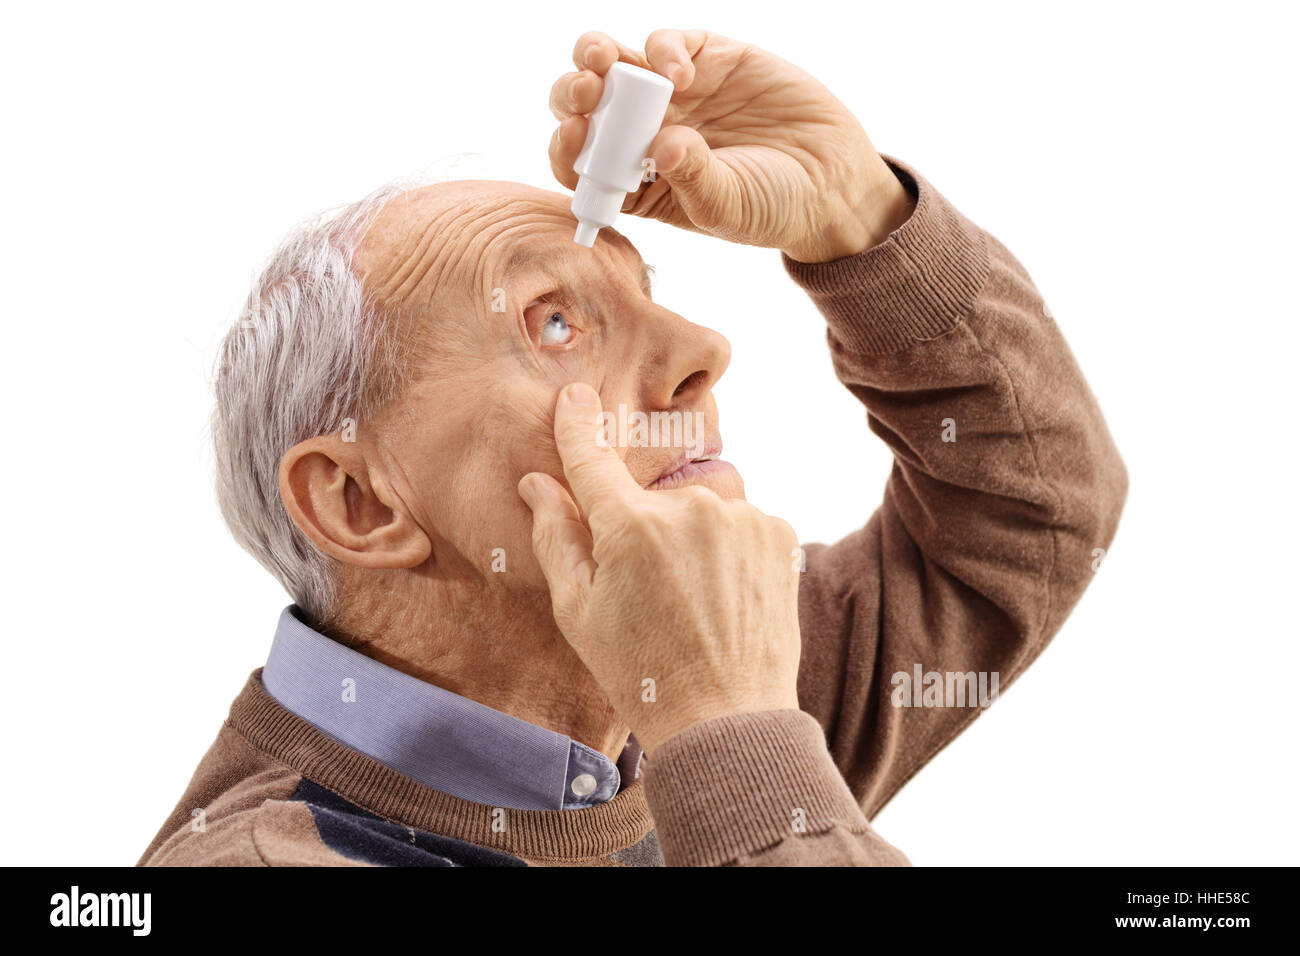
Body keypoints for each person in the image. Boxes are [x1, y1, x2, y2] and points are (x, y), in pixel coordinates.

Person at [139, 29, 1127, 867]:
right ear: (360, 501)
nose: (704, 351)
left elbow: (1028, 518)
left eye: (642, 291)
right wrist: (727, 731)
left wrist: (860, 222)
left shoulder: (669, 677)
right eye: (555, 323)